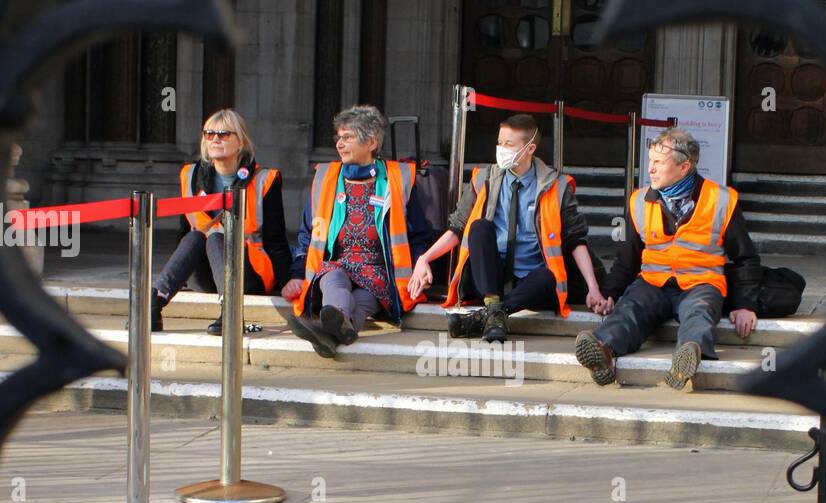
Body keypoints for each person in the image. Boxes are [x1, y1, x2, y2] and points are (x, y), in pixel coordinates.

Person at [574, 129, 760, 391]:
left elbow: (746, 257)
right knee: (630, 309)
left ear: (684, 167)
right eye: (649, 161)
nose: (650, 169)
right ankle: (603, 351)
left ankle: (686, 359)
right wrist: (608, 293)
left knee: (699, 315)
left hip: (702, 282)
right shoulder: (639, 200)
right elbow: (627, 258)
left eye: (658, 163)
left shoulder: (721, 199)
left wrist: (745, 304)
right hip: (653, 281)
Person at [407, 114, 607, 342]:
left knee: (550, 277)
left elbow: (575, 240)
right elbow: (458, 227)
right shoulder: (483, 179)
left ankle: (493, 314)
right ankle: (494, 306)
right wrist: (424, 258)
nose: (501, 149)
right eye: (500, 142)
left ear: (530, 148)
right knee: (479, 227)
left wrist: (593, 287)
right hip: (491, 276)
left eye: (509, 144)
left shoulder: (557, 186)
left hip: (531, 280)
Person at [281, 105, 433, 357]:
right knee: (334, 280)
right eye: (338, 137)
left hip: (378, 271)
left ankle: (327, 334)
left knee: (364, 299)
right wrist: (298, 273)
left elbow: (418, 235)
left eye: (348, 137)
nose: (340, 144)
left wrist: (421, 263)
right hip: (336, 264)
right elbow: (308, 234)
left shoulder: (399, 178)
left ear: (371, 142)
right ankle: (340, 322)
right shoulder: (325, 177)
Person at [151, 109, 291, 333]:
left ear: (240, 142)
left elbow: (276, 240)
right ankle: (155, 303)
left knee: (216, 235)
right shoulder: (190, 175)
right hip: (207, 274)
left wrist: (287, 282)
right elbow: (185, 232)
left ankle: (231, 311)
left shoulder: (265, 179)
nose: (215, 139)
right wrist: (180, 272)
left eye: (224, 134)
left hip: (250, 271)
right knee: (196, 235)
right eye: (209, 134)